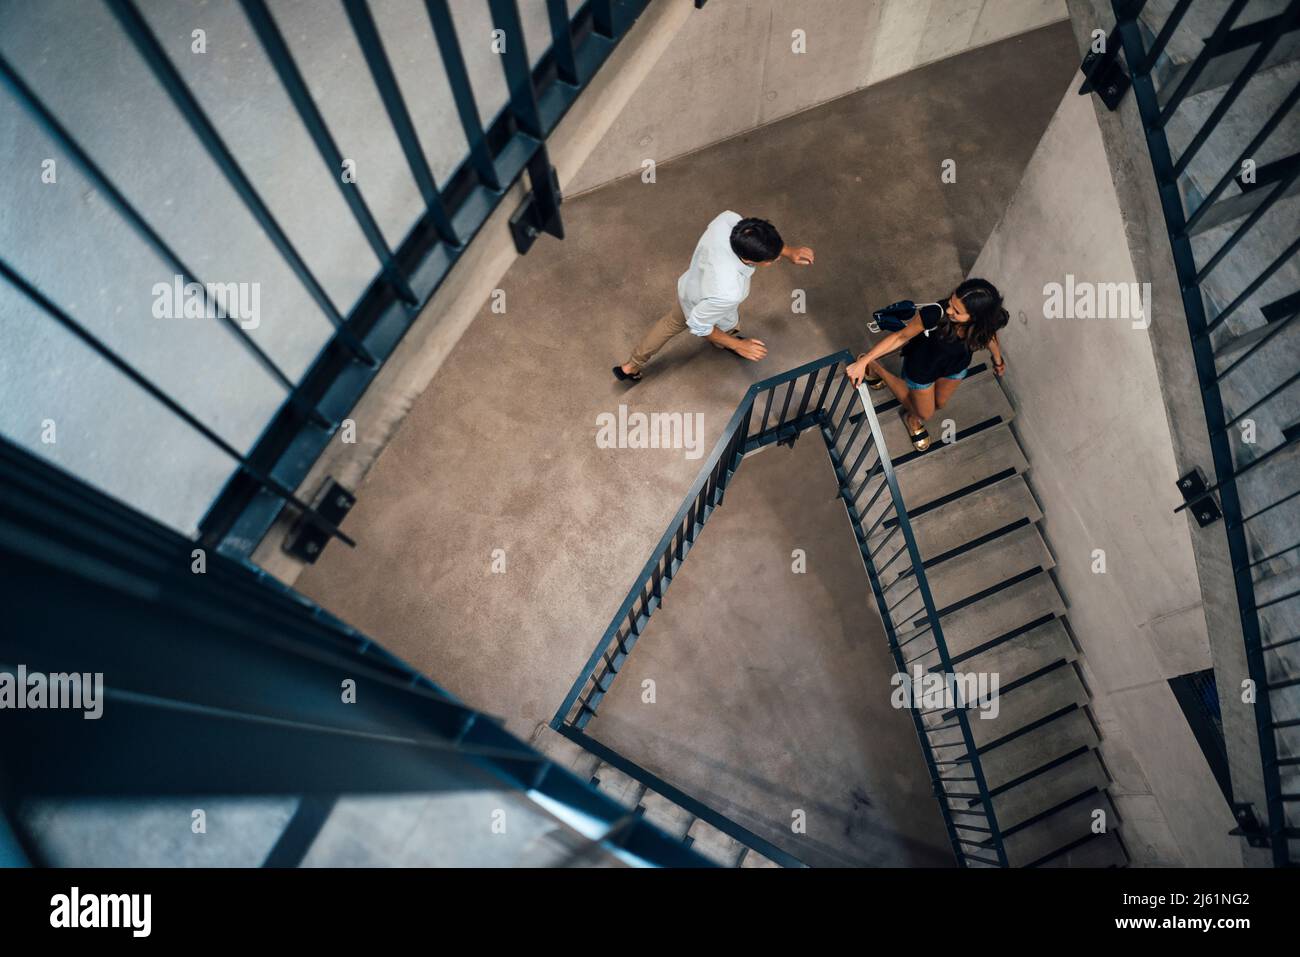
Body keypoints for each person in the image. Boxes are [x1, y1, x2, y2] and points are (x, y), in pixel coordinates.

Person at [613, 211, 814, 382]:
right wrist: (739, 345)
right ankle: (723, 341)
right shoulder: (728, 291)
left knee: (668, 324)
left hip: (690, 287)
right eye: (771, 260)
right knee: (724, 327)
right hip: (705, 304)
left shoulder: (728, 221)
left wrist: (788, 251)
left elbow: (761, 237)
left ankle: (630, 367)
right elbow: (699, 325)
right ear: (749, 259)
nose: (775, 260)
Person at [845, 278, 1008, 452]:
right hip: (923, 367)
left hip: (955, 367)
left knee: (940, 403)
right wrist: (863, 361)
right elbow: (900, 337)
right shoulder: (934, 314)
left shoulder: (990, 320)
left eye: (957, 310)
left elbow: (988, 335)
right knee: (926, 413)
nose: (949, 310)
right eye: (951, 302)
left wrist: (997, 360)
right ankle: (876, 368)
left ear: (977, 318)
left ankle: (912, 412)